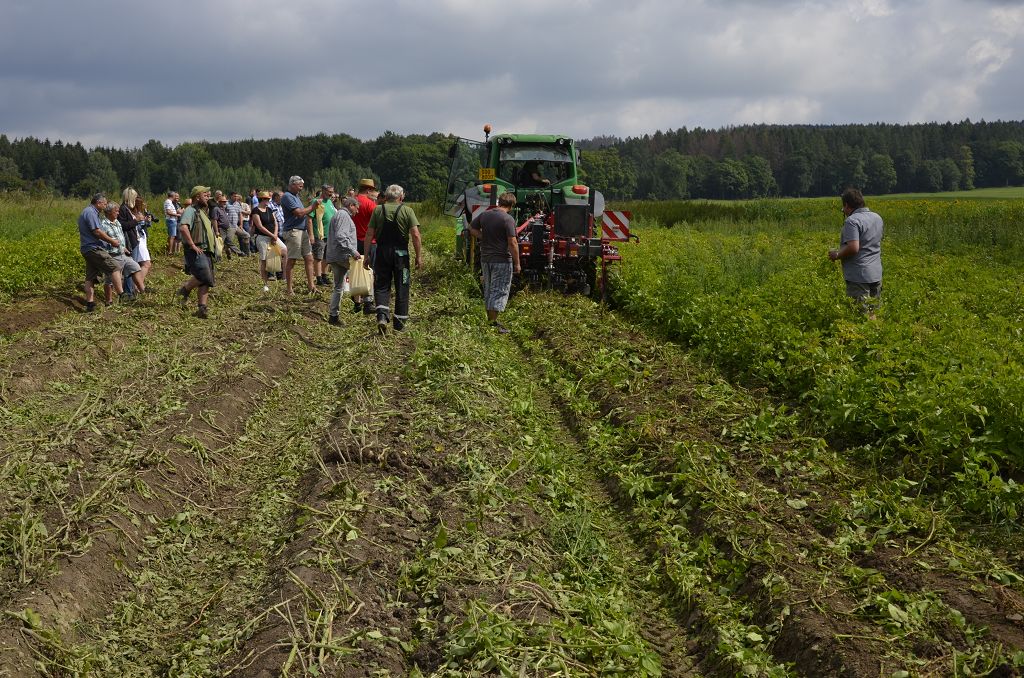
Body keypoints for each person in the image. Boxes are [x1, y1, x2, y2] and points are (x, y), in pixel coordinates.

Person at [363, 184, 422, 334]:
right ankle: (399, 324)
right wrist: (418, 256)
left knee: (382, 284)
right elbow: (415, 235)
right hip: (401, 255)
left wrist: (367, 255)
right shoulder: (407, 211)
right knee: (402, 285)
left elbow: (369, 234)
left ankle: (382, 316)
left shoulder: (378, 210)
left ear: (387, 196)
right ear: (401, 197)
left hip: (382, 252)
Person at [469, 192, 521, 334]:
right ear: (511, 205)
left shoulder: (485, 215)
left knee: (489, 289)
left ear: (499, 202)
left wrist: (483, 236)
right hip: (502, 260)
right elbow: (512, 242)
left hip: (486, 259)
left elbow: (471, 228)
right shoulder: (507, 219)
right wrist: (517, 263)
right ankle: (493, 324)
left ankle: (491, 319)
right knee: (499, 290)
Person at [829, 188, 884, 318]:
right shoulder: (877, 217)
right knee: (873, 312)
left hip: (858, 276)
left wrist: (836, 255)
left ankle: (864, 338)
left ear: (847, 205)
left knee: (861, 315)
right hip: (876, 273)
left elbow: (854, 247)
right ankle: (876, 336)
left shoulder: (852, 221)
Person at [78, 193, 124, 312]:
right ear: (98, 203)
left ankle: (90, 304)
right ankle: (123, 295)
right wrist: (112, 241)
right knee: (115, 267)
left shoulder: (90, 212)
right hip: (93, 248)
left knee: (90, 277)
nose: (105, 205)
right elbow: (97, 232)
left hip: (87, 249)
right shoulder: (90, 213)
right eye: (104, 203)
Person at [177, 185, 217, 319]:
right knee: (203, 275)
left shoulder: (202, 211)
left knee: (207, 280)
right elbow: (183, 228)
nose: (208, 197)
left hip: (206, 250)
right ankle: (185, 289)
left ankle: (202, 308)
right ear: (197, 196)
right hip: (196, 249)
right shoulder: (190, 210)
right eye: (205, 195)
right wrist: (192, 245)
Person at [280, 175, 322, 295]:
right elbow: (299, 213)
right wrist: (312, 206)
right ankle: (289, 289)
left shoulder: (296, 196)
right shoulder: (287, 197)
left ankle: (311, 286)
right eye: (299, 186)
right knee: (292, 260)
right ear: (292, 184)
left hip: (302, 231)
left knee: (309, 258)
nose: (301, 189)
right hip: (293, 231)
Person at [324, 196, 360, 325]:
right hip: (341, 256)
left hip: (336, 255)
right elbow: (341, 236)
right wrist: (353, 251)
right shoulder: (344, 216)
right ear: (351, 206)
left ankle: (333, 316)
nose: (358, 211)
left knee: (338, 287)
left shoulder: (339, 215)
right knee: (363, 274)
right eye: (357, 208)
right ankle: (366, 303)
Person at [99, 201, 145, 302]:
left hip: (122, 253)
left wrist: (123, 247)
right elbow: (103, 240)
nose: (118, 213)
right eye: (116, 211)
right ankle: (109, 301)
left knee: (135, 267)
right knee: (109, 280)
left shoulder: (117, 222)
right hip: (112, 255)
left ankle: (144, 292)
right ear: (109, 212)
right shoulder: (103, 225)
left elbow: (120, 237)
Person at [352, 178, 379, 314]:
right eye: (372, 190)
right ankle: (368, 302)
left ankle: (356, 301)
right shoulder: (371, 205)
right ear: (368, 190)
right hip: (370, 242)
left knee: (355, 270)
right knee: (369, 271)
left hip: (354, 241)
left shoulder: (352, 202)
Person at [251, 190, 280, 291]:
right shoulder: (255, 211)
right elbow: (259, 226)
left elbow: (275, 223)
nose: (268, 200)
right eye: (266, 199)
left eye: (268, 199)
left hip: (273, 237)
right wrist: (272, 235)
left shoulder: (269, 210)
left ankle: (280, 275)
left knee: (284, 251)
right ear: (261, 199)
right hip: (262, 238)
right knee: (264, 260)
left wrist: (275, 235)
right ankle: (265, 283)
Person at [308, 183, 335, 287]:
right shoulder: (316, 202)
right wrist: (311, 235)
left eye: (332, 192)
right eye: (329, 192)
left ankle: (324, 275)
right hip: (319, 234)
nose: (331, 194)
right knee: (318, 257)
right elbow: (309, 219)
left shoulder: (329, 202)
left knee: (326, 257)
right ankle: (318, 278)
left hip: (330, 234)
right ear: (323, 191)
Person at [130, 198, 153, 289]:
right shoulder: (134, 214)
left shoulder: (141, 213)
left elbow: (146, 226)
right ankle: (138, 286)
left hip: (143, 239)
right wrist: (141, 221)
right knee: (146, 264)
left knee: (140, 264)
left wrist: (148, 221)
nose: (145, 206)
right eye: (143, 204)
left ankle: (137, 285)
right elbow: (136, 227)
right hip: (138, 240)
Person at [164, 191, 182, 256]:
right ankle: (170, 252)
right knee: (172, 236)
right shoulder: (168, 202)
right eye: (175, 196)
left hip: (172, 220)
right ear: (173, 196)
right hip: (171, 220)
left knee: (172, 236)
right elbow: (168, 212)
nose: (176, 197)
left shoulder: (169, 202)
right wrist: (177, 215)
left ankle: (169, 251)